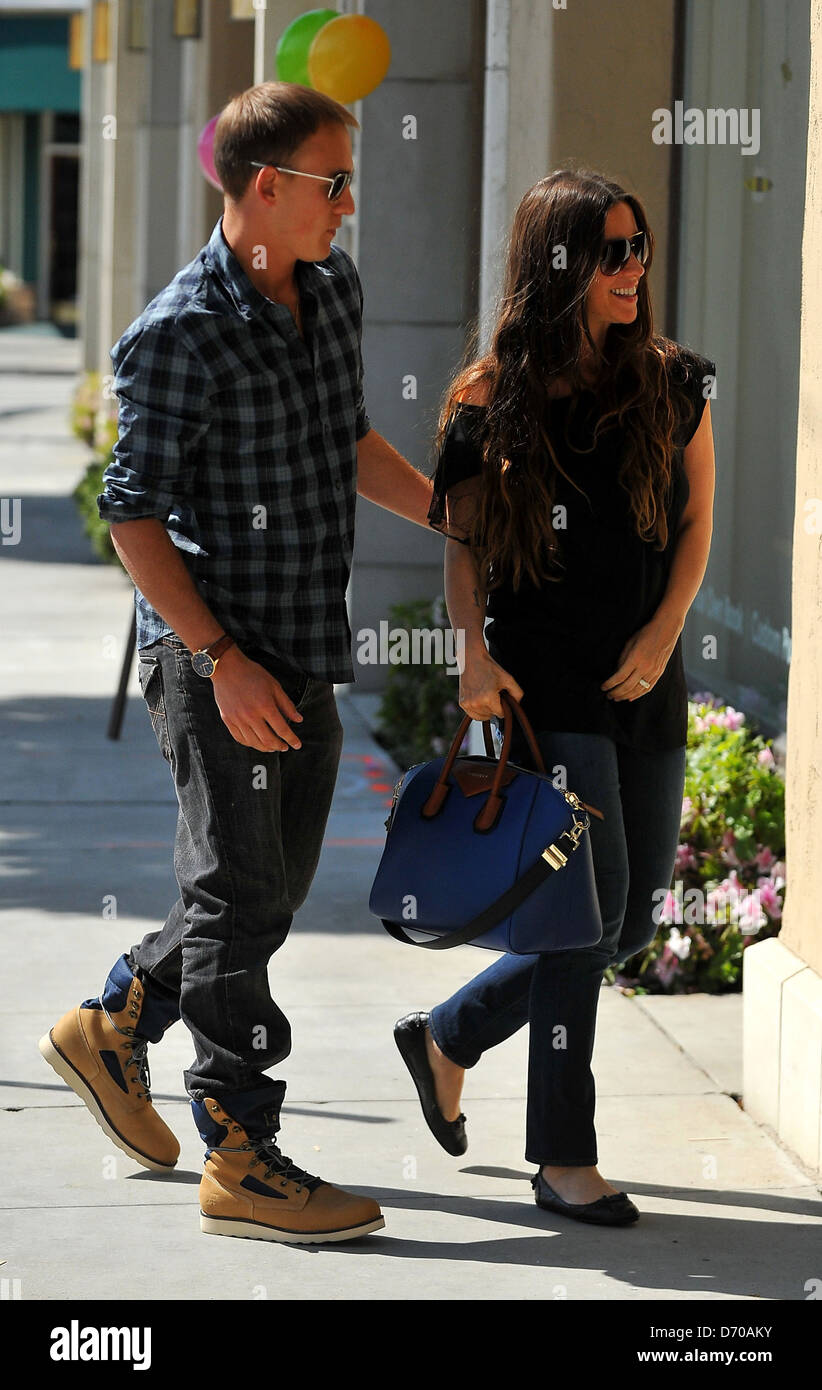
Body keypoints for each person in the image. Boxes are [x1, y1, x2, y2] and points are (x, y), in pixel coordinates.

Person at [39, 82, 434, 1245]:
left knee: (263, 892)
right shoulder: (177, 333)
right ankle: (242, 1152)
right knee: (233, 894)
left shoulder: (331, 287)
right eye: (331, 183)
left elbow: (346, 436)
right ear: (265, 187)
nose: (348, 206)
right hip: (218, 661)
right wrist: (218, 659)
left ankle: (115, 1016)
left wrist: (451, 512)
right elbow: (132, 515)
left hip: (305, 643)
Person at [394, 169, 716, 1227]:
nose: (633, 270)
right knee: (582, 918)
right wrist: (470, 655)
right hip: (548, 682)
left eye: (640, 249)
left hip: (644, 678)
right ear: (560, 264)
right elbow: (463, 538)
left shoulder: (676, 382)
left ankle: (449, 1030)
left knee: (623, 917)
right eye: (611, 251)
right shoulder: (491, 396)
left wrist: (667, 629)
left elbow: (699, 519)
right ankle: (563, 1155)